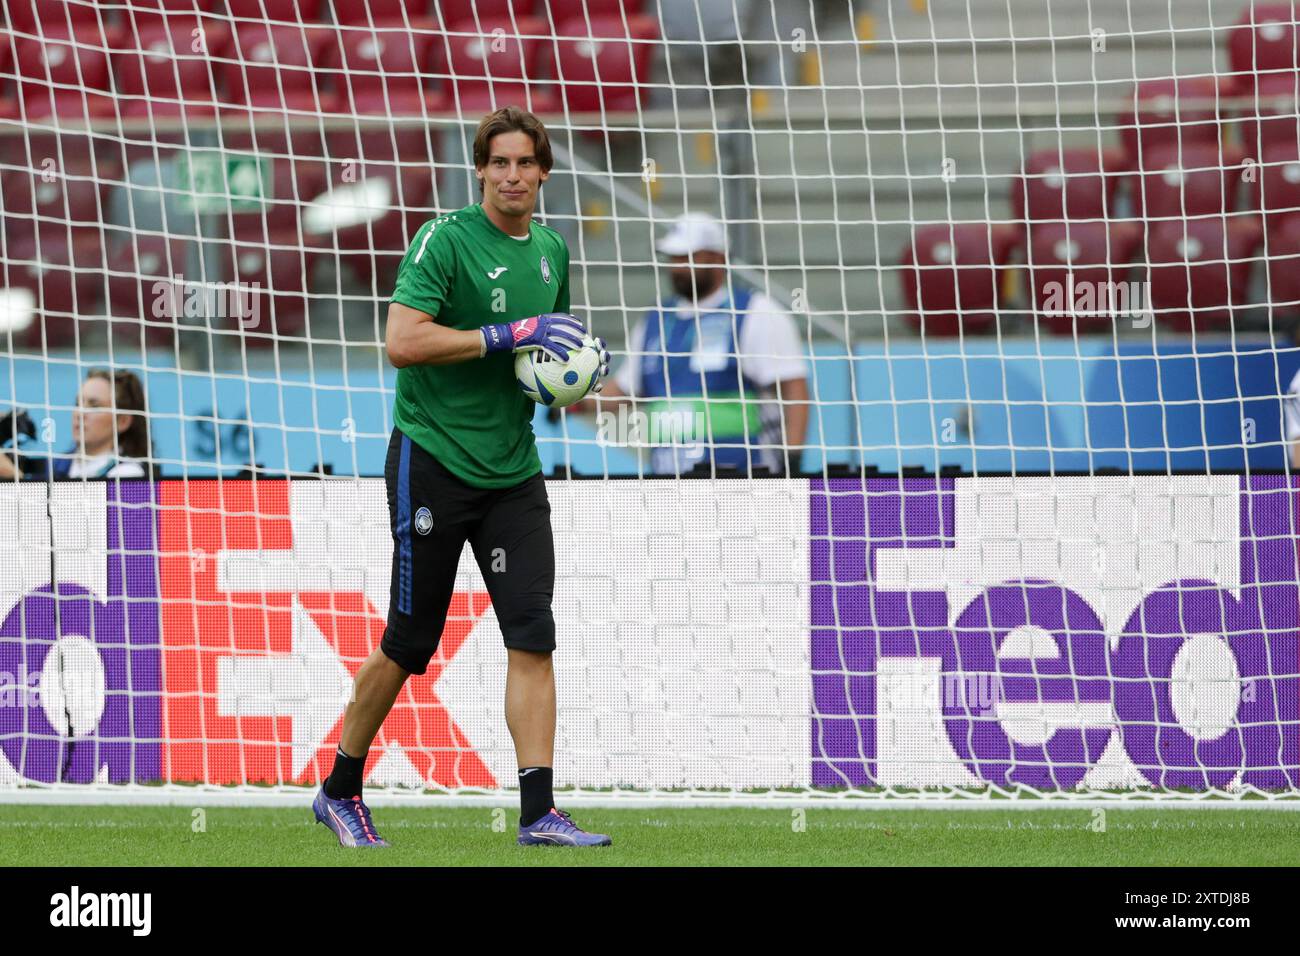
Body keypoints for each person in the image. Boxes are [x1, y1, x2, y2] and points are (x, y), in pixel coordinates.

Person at [312, 106, 612, 849]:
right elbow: (401, 342)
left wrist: (578, 383)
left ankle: (539, 812)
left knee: (533, 635)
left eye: (525, 163)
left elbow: (542, 361)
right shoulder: (443, 241)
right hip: (433, 461)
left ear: (544, 173)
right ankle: (339, 788)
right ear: (480, 169)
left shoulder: (551, 250)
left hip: (513, 469)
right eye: (499, 163)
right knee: (411, 642)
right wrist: (508, 333)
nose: (512, 175)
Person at [577, 213, 809, 475]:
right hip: (667, 483)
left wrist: (793, 458)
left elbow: (794, 391)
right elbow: (625, 390)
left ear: (719, 258)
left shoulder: (756, 312)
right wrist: (573, 400)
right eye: (674, 258)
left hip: (746, 480)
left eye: (688, 257)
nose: (677, 267)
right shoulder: (655, 320)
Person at [0, 369, 152, 480]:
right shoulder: (58, 465)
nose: (80, 413)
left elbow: (75, 521)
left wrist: (15, 478)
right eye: (78, 403)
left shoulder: (128, 474)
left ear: (123, 421)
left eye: (94, 406)